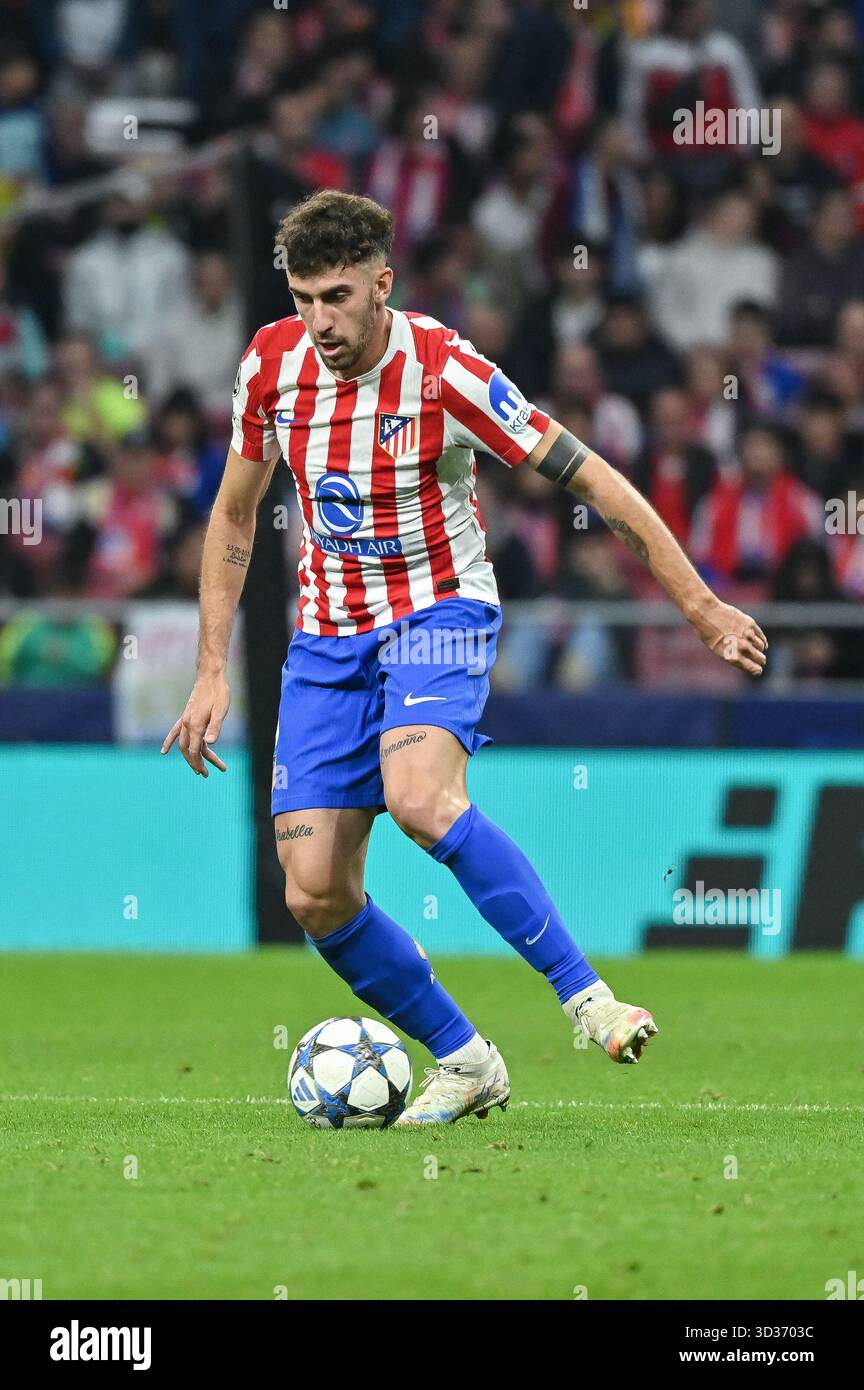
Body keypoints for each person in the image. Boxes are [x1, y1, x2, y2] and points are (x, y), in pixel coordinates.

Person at [162, 190, 767, 1125]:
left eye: (337, 296)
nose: (319, 322)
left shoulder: (446, 370)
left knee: (420, 798)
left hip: (439, 610)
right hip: (328, 636)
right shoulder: (270, 366)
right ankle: (467, 1058)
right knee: (314, 893)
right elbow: (235, 513)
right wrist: (212, 667)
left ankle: (587, 999)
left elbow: (594, 478)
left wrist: (699, 605)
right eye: (303, 299)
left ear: (382, 283)